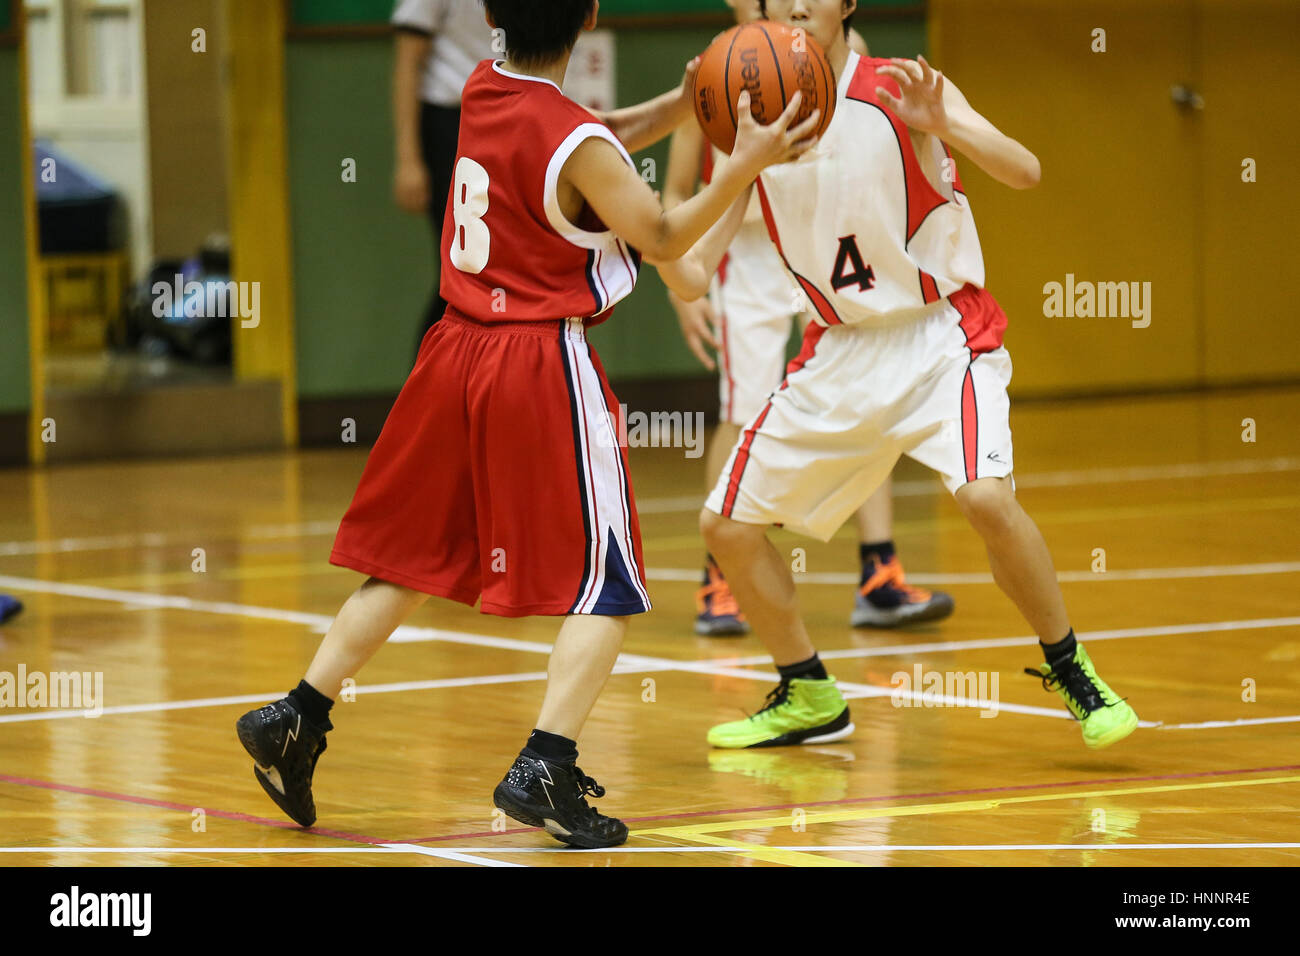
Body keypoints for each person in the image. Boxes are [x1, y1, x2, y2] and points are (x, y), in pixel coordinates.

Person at [236, 0, 819, 849]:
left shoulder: (483, 88)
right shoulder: (576, 143)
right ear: (589, 15)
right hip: (537, 363)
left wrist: (685, 102)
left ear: (490, 13)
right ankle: (545, 762)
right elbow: (656, 230)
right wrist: (744, 161)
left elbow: (590, 138)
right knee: (606, 581)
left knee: (407, 557)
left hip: (453, 352)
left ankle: (299, 714)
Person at [696, 0, 1139, 751]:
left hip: (941, 334)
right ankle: (807, 691)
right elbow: (684, 271)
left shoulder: (904, 87)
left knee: (985, 498)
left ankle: (1071, 666)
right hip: (839, 349)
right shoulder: (752, 128)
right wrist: (724, 177)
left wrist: (947, 123)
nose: (799, 1)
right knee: (726, 528)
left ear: (849, 4)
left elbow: (1024, 171)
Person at [665, 0, 952, 636]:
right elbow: (676, 189)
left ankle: (879, 572)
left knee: (863, 396)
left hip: (826, 244)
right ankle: (721, 577)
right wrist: (682, 286)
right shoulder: (718, 63)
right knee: (743, 410)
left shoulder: (835, 46)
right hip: (747, 257)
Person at [391, 0, 496, 356]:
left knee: (502, 267)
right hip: (451, 124)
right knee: (461, 269)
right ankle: (426, 385)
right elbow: (408, 60)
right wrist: (409, 159)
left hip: (512, 119)